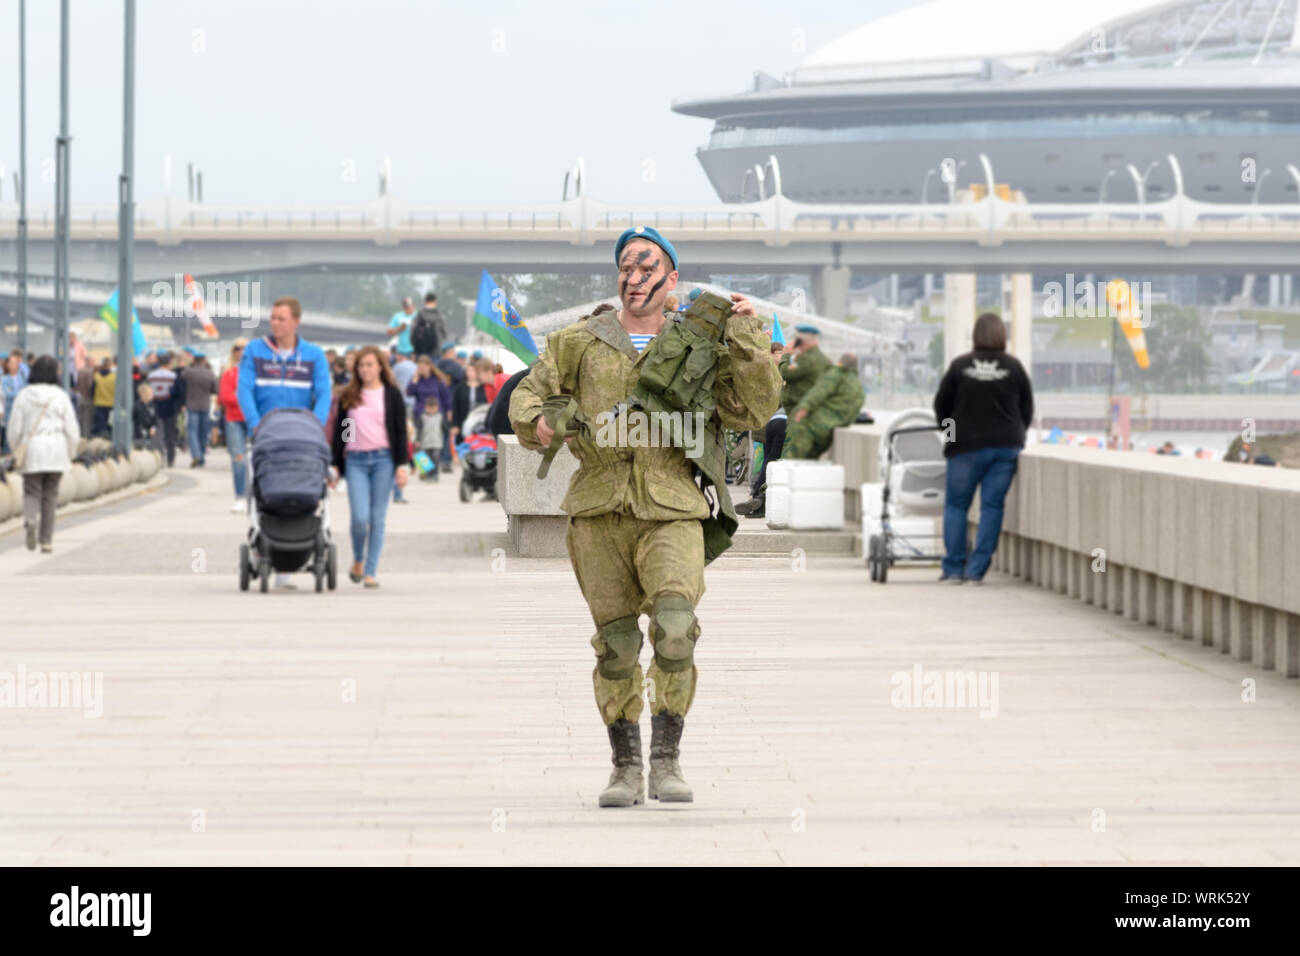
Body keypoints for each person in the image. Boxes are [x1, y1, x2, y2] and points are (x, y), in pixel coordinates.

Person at [509, 225, 781, 808]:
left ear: (672, 279)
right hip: (599, 510)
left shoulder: (699, 344)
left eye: (647, 268)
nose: (634, 280)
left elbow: (754, 408)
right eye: (625, 270)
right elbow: (527, 400)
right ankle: (625, 766)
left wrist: (749, 336)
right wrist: (544, 423)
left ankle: (666, 759)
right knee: (616, 647)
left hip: (672, 507)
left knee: (676, 629)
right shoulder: (578, 342)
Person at [237, 295, 333, 589]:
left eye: (281, 318)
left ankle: (298, 552)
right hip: (266, 437)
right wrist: (256, 425)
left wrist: (315, 426)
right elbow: (245, 391)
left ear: (296, 322)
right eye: (273, 318)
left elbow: (324, 394)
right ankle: (265, 548)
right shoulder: (255, 352)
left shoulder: (313, 355)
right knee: (263, 490)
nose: (275, 323)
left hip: (301, 438)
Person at [933, 312, 1034, 586]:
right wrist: (1017, 437)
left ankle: (954, 568)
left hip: (964, 447)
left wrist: (951, 437)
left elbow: (942, 407)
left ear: (975, 335)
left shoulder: (959, 366)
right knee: (992, 507)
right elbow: (1026, 409)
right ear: (1002, 335)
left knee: (956, 506)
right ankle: (976, 570)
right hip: (1004, 447)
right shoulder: (1014, 367)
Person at [328, 345, 410, 588]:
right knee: (359, 517)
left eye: (370, 365)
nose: (365, 370)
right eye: (361, 365)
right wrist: (336, 465)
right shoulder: (349, 396)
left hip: (384, 460)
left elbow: (399, 431)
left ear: (380, 367)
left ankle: (371, 571)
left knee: (377, 518)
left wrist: (401, 465)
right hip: (356, 461)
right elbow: (343, 434)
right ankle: (358, 559)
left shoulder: (391, 394)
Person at [6, 355, 80, 553]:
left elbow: (15, 427)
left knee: (31, 491)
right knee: (50, 496)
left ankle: (30, 519)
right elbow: (71, 428)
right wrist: (71, 451)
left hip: (31, 448)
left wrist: (16, 449)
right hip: (56, 448)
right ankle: (46, 540)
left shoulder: (24, 395)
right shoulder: (61, 396)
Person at [783, 352, 865, 460]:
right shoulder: (858, 386)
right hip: (831, 431)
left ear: (840, 363)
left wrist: (803, 409)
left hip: (815, 427)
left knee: (791, 460)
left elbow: (818, 393)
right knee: (808, 461)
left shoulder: (836, 374)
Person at [219, 339, 249, 512]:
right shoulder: (229, 373)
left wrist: (238, 395)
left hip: (253, 420)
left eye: (244, 348)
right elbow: (225, 397)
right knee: (238, 459)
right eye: (237, 348)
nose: (241, 351)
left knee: (258, 458)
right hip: (234, 420)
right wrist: (244, 397)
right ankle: (240, 496)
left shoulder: (256, 371)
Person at [181, 352, 217, 467]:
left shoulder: (189, 372)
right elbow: (215, 390)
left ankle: (196, 454)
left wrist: (190, 365)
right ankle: (201, 457)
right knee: (203, 433)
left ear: (194, 361)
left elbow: (182, 375)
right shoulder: (210, 373)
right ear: (204, 360)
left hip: (191, 405)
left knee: (192, 431)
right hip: (205, 405)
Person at [147, 352, 184, 467]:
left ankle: (159, 457)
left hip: (156, 406)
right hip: (170, 407)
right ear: (169, 362)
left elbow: (148, 391)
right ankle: (171, 459)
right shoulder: (173, 376)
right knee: (170, 435)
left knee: (159, 433)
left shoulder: (151, 376)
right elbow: (179, 393)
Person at [436, 343, 469, 470]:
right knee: (447, 434)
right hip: (450, 403)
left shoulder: (436, 365)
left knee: (433, 434)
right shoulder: (456, 367)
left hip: (435, 403)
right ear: (449, 352)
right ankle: (446, 461)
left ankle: (430, 465)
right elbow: (462, 384)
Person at [410, 293, 449, 360]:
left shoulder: (419, 315)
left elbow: (413, 331)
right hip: (435, 351)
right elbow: (444, 334)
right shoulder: (439, 315)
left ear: (425, 301)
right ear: (435, 301)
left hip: (420, 351)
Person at [1, 352, 27, 453]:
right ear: (7, 365)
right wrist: (20, 393)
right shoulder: (4, 379)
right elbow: (7, 394)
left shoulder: (22, 378)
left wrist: (16, 393)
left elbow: (26, 391)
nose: (13, 365)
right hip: (9, 410)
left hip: (21, 411)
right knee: (9, 436)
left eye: (15, 363)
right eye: (10, 363)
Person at [416, 397, 444, 480]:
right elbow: (419, 429)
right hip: (426, 442)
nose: (431, 410)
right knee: (426, 460)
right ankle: (428, 474)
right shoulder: (423, 417)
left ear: (437, 407)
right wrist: (418, 440)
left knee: (436, 458)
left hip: (437, 442)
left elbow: (445, 428)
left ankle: (435, 474)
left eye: (433, 408)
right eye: (429, 408)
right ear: (426, 407)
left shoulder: (440, 417)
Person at [91, 356, 117, 438]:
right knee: (110, 425)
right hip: (111, 404)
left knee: (101, 426)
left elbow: (92, 390)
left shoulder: (97, 376)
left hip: (99, 404)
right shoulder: (114, 377)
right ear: (110, 366)